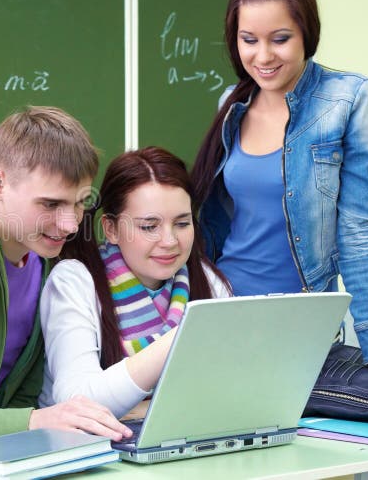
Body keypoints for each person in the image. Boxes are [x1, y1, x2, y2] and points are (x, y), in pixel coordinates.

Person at [190, 0, 368, 378]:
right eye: (249, 40)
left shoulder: (349, 98)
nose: (262, 56)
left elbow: (357, 229)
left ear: (306, 34)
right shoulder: (232, 102)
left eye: (280, 39)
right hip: (221, 311)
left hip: (299, 326)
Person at [0, 106, 132, 447]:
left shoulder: (50, 269)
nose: (70, 225)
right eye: (49, 204)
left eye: (78, 204)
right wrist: (35, 421)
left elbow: (23, 396)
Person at [39, 146, 230, 417]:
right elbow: (78, 403)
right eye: (149, 226)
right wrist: (181, 337)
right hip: (82, 451)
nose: (170, 241)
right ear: (111, 229)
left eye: (182, 223)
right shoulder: (74, 281)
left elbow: (233, 388)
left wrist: (136, 410)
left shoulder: (208, 280)